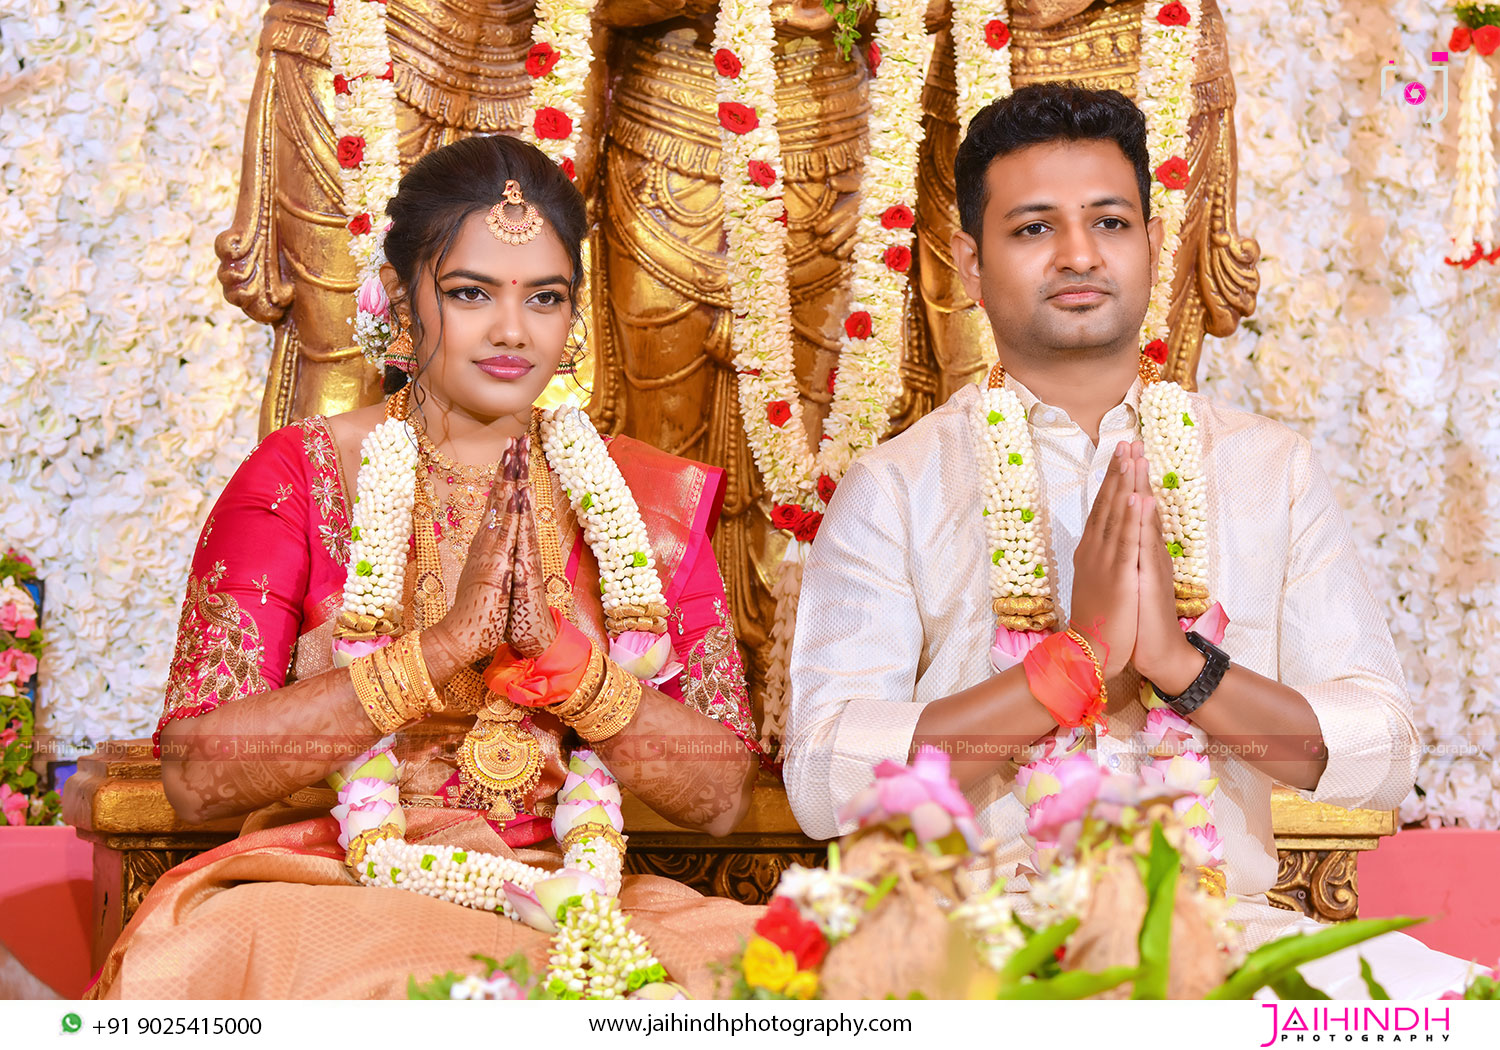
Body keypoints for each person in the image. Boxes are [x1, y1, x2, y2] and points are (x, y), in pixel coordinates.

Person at [783, 83, 1478, 999]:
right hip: (984, 943)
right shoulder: (895, 490)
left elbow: (1381, 753)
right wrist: (1069, 667)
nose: (1078, 254)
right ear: (966, 261)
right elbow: (829, 781)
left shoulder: (1272, 470)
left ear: (1154, 245)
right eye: (1033, 228)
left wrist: (1180, 665)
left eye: (1110, 222)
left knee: (1443, 1007)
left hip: (1227, 934)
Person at [91, 135, 762, 999]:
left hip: (576, 891)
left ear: (574, 315)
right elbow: (194, 776)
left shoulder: (640, 496)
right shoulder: (301, 478)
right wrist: (441, 649)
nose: (513, 330)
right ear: (404, 305)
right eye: (471, 293)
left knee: (787, 976)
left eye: (545, 297)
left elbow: (721, 795)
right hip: (344, 878)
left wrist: (570, 671)